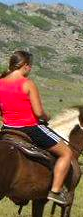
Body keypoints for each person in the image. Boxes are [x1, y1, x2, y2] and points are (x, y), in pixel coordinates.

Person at [0, 50, 72, 205]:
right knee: (66, 153)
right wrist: (48, 117)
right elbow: (38, 112)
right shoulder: (27, 84)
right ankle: (55, 191)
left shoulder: (0, 82)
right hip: (29, 128)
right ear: (24, 66)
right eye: (30, 66)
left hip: (6, 128)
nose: (30, 69)